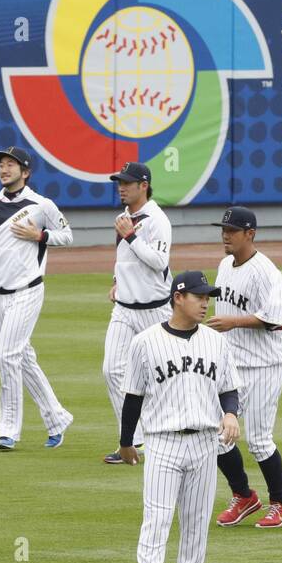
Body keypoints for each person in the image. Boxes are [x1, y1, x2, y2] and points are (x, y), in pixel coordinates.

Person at [118, 270, 241, 563]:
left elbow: (229, 388)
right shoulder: (145, 342)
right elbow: (132, 397)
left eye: (208, 297)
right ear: (178, 298)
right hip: (163, 443)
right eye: (199, 297)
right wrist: (127, 442)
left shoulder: (215, 341)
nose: (206, 303)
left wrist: (230, 414)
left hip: (205, 443)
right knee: (156, 521)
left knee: (196, 523)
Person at [0, 146, 74, 451]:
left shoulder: (42, 205)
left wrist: (40, 236)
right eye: (1, 164)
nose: (4, 169)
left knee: (7, 357)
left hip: (27, 290)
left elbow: (67, 236)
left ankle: (9, 430)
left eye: (11, 165)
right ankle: (56, 417)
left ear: (25, 172)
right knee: (23, 358)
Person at [208, 207, 282, 529]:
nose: (225, 236)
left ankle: (281, 503)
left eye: (231, 230)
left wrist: (234, 322)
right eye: (223, 229)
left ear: (250, 234)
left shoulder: (265, 272)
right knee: (215, 435)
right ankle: (243, 495)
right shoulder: (224, 265)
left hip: (263, 366)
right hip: (231, 366)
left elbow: (276, 319)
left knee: (259, 440)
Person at [102, 161, 173, 465]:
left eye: (127, 183)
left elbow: (158, 261)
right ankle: (133, 441)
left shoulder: (158, 219)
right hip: (124, 309)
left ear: (143, 186)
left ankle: (186, 433)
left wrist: (131, 236)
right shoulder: (123, 218)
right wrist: (117, 282)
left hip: (155, 310)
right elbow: (125, 259)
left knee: (167, 378)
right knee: (111, 370)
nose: (121, 187)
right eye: (119, 182)